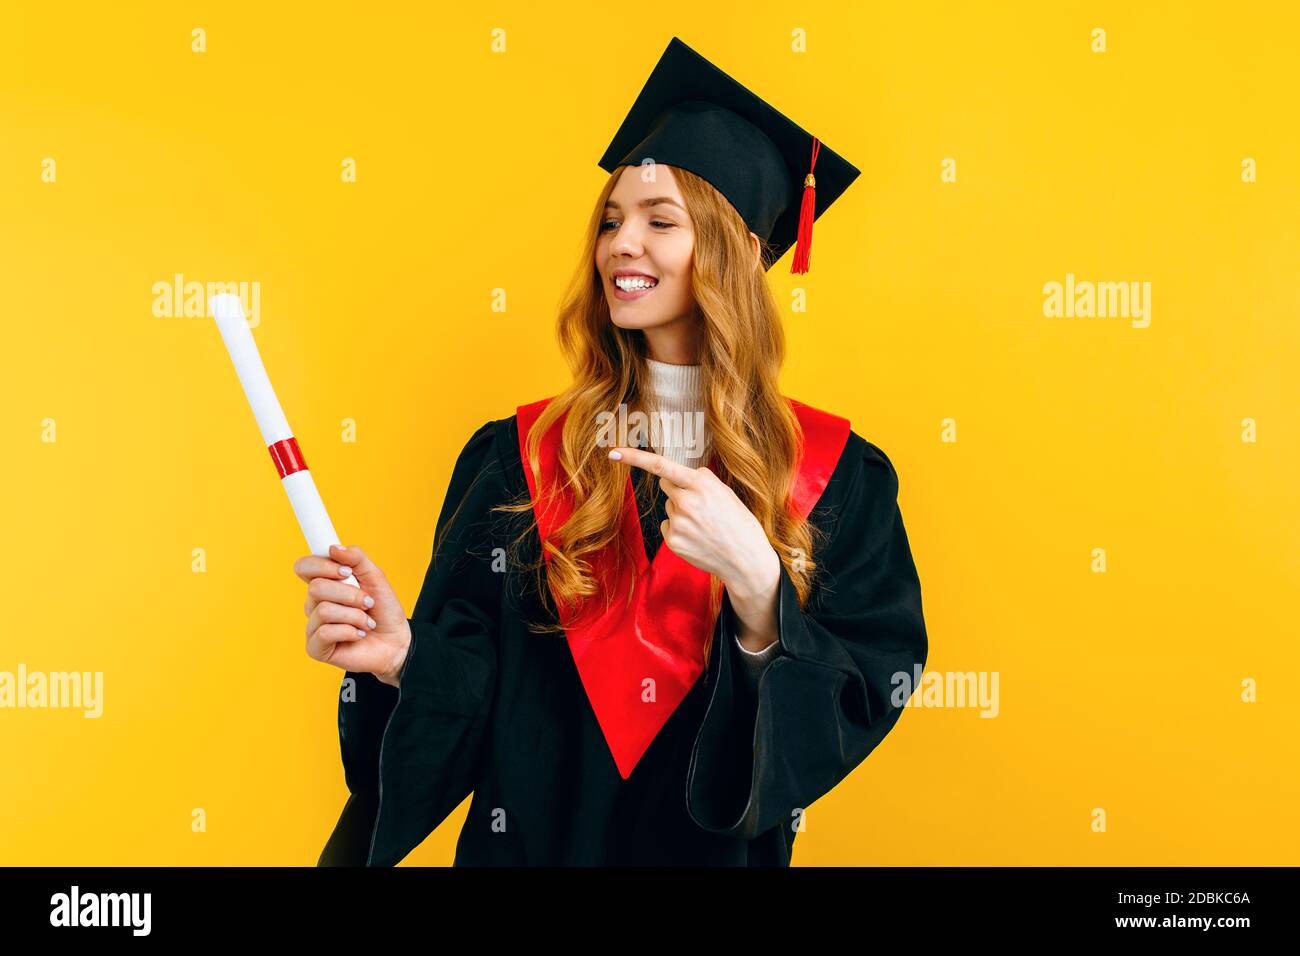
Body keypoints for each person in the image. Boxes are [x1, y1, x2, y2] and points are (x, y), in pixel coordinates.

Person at [296, 36, 929, 866]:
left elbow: (851, 701)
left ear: (737, 252)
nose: (621, 245)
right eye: (610, 220)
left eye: (661, 221)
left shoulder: (837, 477)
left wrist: (760, 587)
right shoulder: (519, 457)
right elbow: (486, 697)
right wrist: (403, 660)